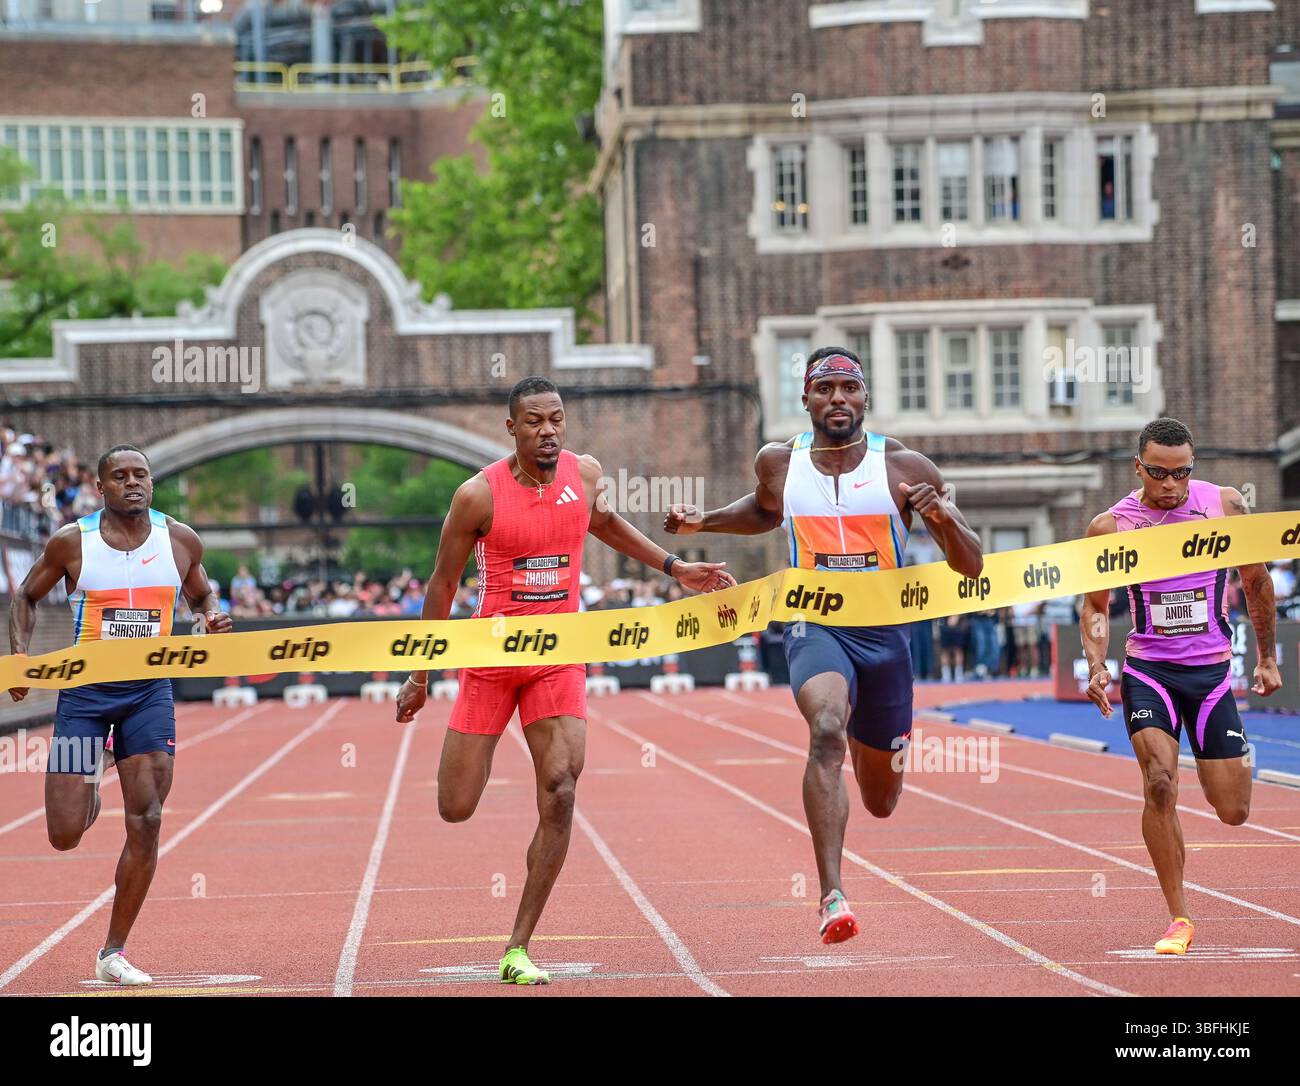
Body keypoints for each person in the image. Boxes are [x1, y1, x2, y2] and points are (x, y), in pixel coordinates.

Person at [394, 376, 735, 985]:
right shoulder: (477, 496)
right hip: (493, 659)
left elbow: (603, 524)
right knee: (455, 806)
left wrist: (675, 566)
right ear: (512, 428)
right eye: (534, 422)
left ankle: (518, 946)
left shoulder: (586, 474)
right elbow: (441, 585)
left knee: (561, 788)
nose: (547, 431)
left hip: (560, 654)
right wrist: (420, 673)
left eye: (555, 419)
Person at [665, 346, 983, 944]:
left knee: (882, 800)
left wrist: (939, 518)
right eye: (824, 389)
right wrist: (702, 522)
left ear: (865, 397)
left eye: (848, 388)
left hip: (886, 636)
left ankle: (873, 756)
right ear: (806, 398)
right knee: (826, 728)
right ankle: (831, 893)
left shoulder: (906, 466)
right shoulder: (779, 463)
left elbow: (971, 566)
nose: (837, 398)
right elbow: (763, 511)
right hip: (815, 624)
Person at [7, 444, 233, 985]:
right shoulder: (72, 542)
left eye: (142, 475)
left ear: (151, 483)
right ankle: (97, 771)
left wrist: (210, 618)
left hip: (148, 694)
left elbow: (202, 596)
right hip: (85, 697)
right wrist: (19, 658)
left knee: (148, 818)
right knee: (64, 833)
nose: (133, 483)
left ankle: (113, 951)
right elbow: (26, 596)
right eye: (120, 476)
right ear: (101, 487)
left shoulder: (179, 539)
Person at [1080, 417, 1280, 956]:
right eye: (1159, 474)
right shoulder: (1112, 527)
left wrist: (1267, 658)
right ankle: (1179, 916)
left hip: (1212, 673)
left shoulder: (1224, 506)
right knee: (1160, 783)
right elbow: (1095, 606)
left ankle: (1221, 758)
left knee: (1233, 810)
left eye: (1181, 474)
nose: (1170, 486)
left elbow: (1256, 581)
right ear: (1138, 467)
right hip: (1149, 671)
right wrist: (1096, 664)